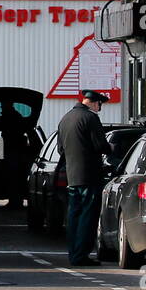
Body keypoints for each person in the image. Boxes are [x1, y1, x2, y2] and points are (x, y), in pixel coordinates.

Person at [56, 89, 111, 266]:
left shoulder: (66, 118)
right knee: (88, 216)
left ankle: (74, 253)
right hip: (90, 175)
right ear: (96, 103)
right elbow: (100, 145)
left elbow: (60, 149)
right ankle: (81, 255)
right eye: (99, 105)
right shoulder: (90, 118)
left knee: (74, 215)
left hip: (73, 176)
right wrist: (112, 149)